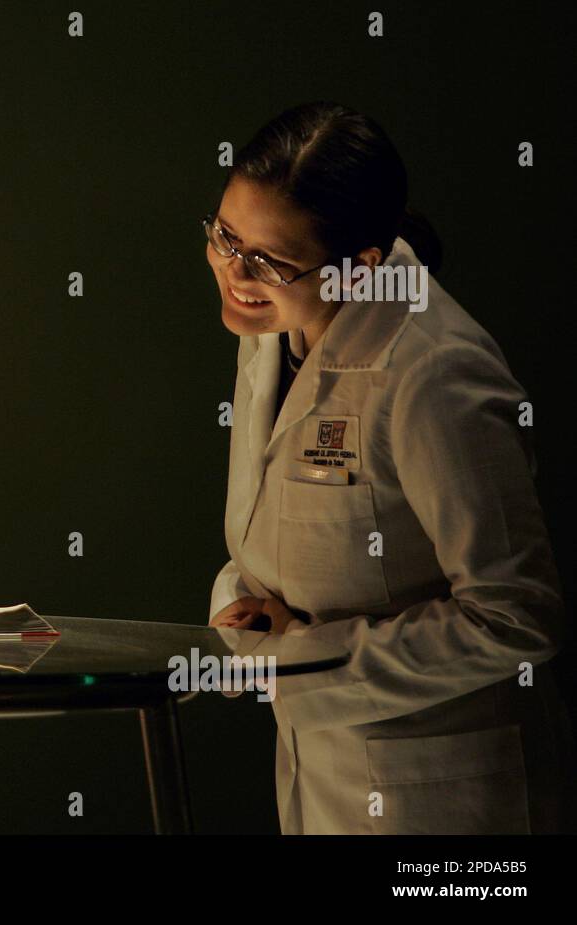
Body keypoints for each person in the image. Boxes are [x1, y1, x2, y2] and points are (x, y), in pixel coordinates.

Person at [205, 101, 574, 834]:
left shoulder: (433, 371)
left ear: (361, 267)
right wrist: (243, 606)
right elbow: (269, 541)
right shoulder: (278, 325)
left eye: (269, 260)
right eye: (224, 234)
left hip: (445, 804)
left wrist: (299, 657)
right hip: (324, 775)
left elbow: (517, 618)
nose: (235, 271)